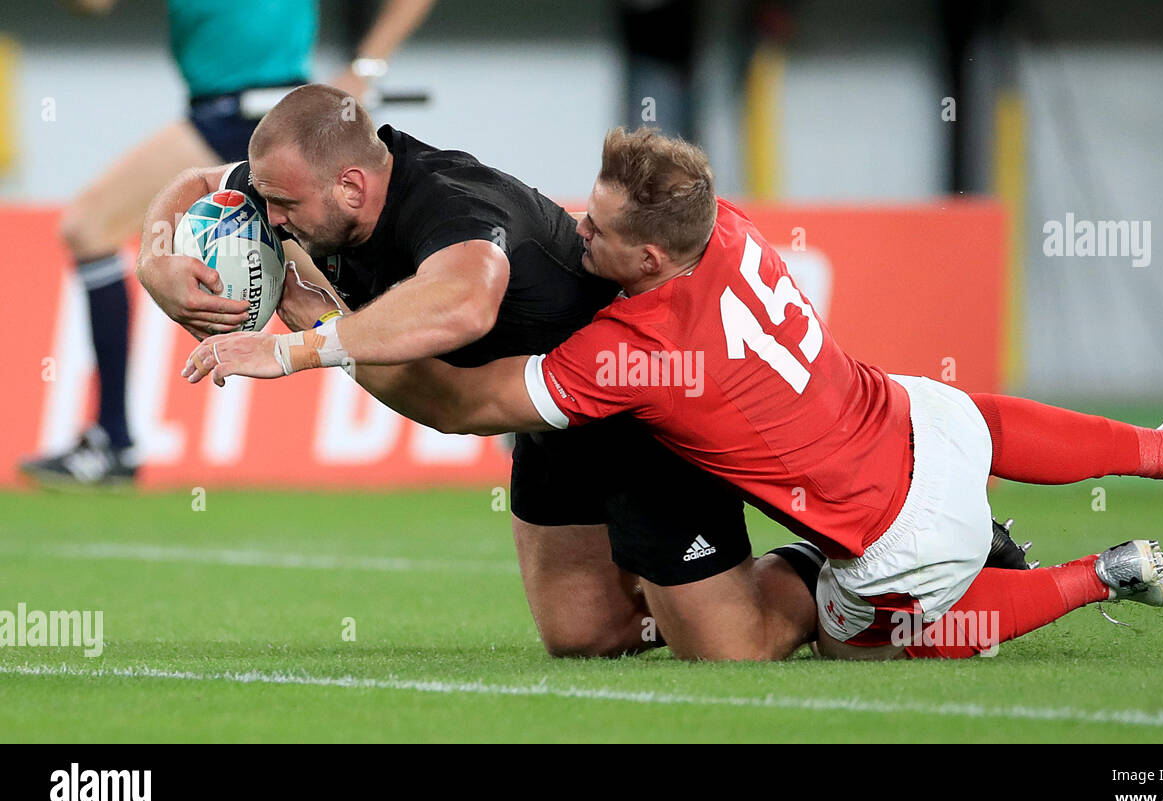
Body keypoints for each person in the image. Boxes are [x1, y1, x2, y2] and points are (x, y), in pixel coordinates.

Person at [184, 127, 1163, 661]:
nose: (574, 233)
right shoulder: (716, 228)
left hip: (901, 530)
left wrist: (311, 343)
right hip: (912, 416)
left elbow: (471, 403)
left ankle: (1101, 570)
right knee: (966, 417)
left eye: (593, 230)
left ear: (645, 255)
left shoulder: (628, 352)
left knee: (839, 631)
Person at [139, 85, 821, 659]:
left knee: (733, 648)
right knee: (582, 635)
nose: (271, 219)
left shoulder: (451, 204)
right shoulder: (306, 190)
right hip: (545, 423)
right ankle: (680, 592)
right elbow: (199, 184)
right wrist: (156, 258)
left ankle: (816, 572)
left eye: (284, 205)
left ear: (350, 186)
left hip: (631, 415)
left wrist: (297, 347)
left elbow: (464, 308)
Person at [20, 0, 437, 488]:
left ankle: (113, 440)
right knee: (336, 291)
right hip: (218, 109)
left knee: (89, 227)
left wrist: (366, 66)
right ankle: (113, 440)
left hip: (259, 108)